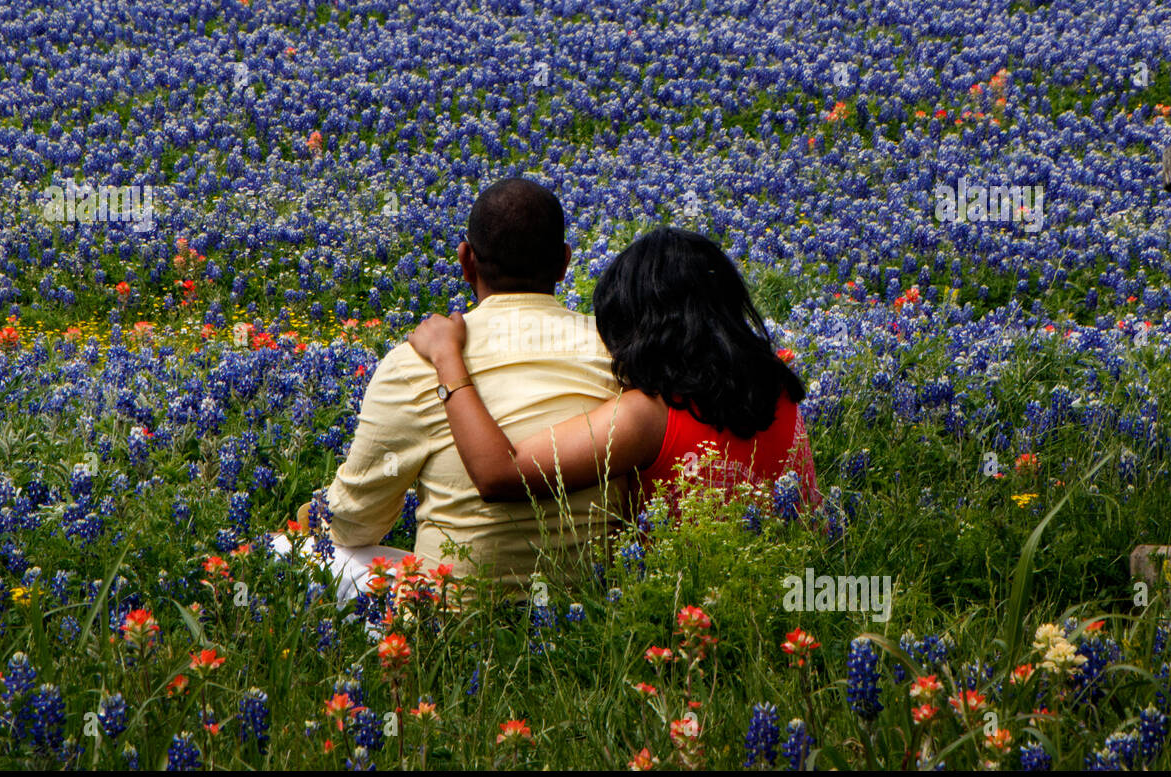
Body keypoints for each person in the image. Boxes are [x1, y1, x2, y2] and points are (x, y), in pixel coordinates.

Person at [274, 178, 629, 604]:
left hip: (446, 614)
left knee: (283, 553)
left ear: (466, 261)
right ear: (564, 263)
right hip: (590, 605)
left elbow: (352, 523)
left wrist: (306, 520)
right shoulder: (618, 353)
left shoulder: (416, 361)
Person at [406, 226, 819, 520]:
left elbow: (498, 476)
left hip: (681, 621)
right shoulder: (779, 389)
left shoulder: (647, 416)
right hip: (785, 604)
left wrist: (447, 356)